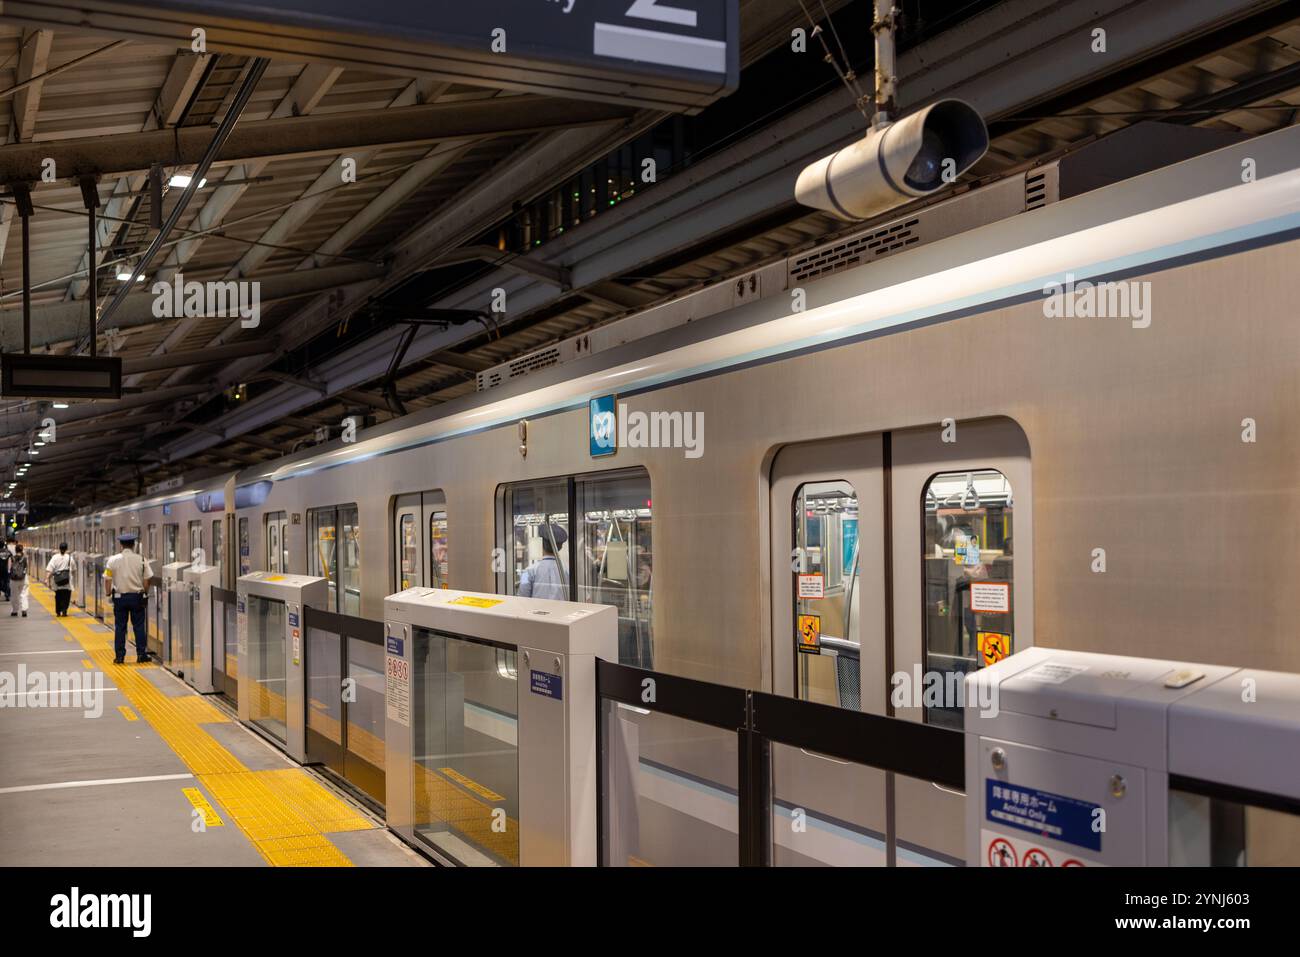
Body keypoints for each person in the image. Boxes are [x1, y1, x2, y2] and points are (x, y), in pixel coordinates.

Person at [104, 532, 152, 665]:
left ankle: (119, 657)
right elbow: (148, 578)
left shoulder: (112, 560)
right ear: (134, 545)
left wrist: (108, 592)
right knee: (138, 626)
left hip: (119, 598)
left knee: (120, 627)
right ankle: (141, 655)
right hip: (137, 597)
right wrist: (145, 591)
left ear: (121, 545)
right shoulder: (141, 559)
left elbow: (107, 579)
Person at [517, 524, 568, 600]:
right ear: (559, 547)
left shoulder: (527, 572)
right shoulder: (568, 570)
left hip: (535, 611)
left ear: (541, 544)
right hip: (564, 611)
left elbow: (522, 597)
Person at [45, 542, 74, 617]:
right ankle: (64, 610)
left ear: (59, 548)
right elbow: (74, 569)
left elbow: (50, 569)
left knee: (58, 596)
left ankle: (58, 611)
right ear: (66, 549)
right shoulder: (70, 557)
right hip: (67, 581)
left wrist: (47, 579)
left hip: (57, 581)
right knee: (66, 596)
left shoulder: (55, 557)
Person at [8, 543, 28, 617]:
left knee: (14, 595)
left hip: (13, 579)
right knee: (23, 594)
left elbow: (9, 569)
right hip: (23, 579)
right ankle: (24, 610)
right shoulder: (25, 558)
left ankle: (15, 611)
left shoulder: (12, 558)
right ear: (22, 550)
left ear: (15, 550)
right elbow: (26, 569)